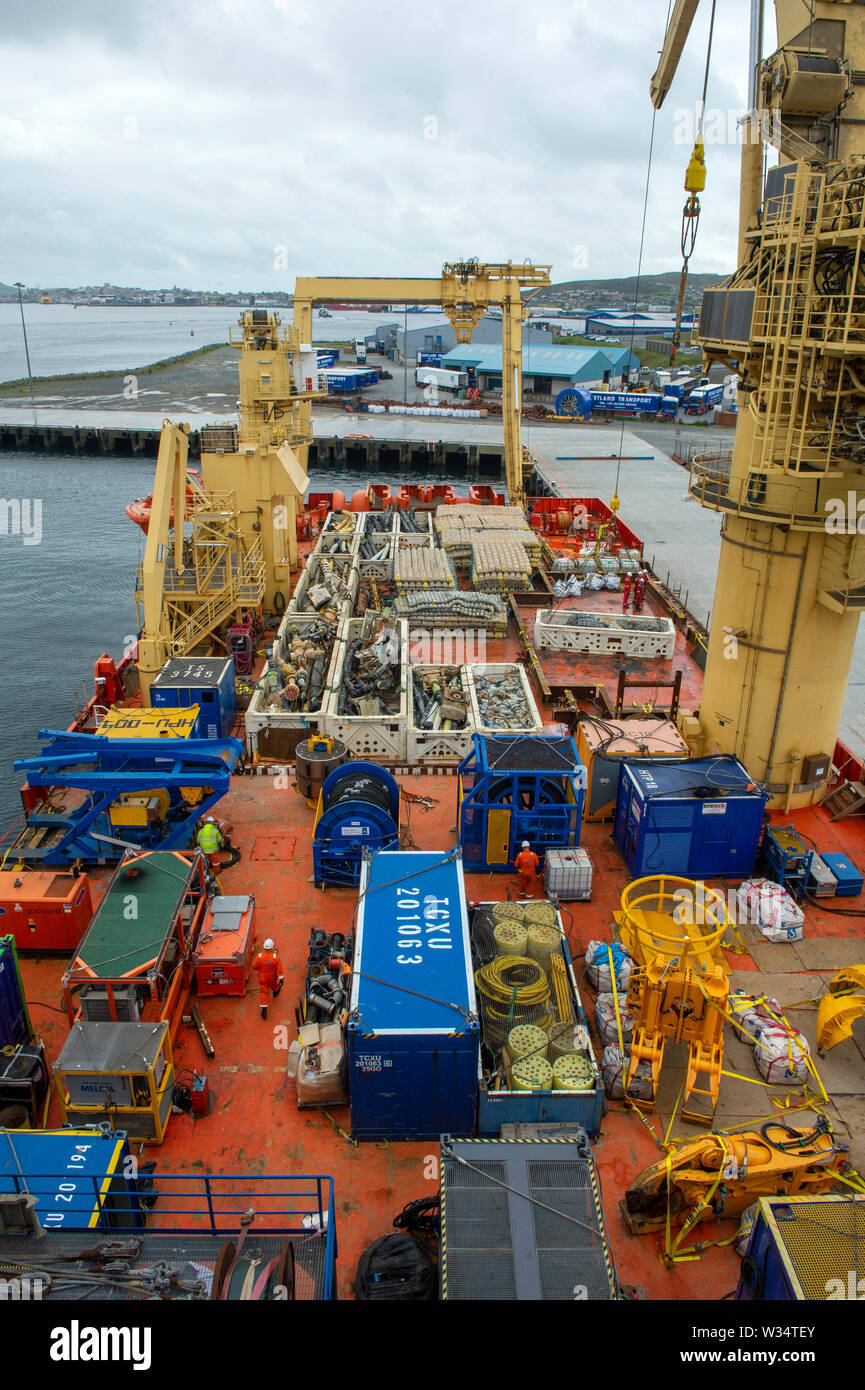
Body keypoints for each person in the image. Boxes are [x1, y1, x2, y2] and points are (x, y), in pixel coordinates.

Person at [253, 938, 284, 1020]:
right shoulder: (275, 957)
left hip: (262, 978)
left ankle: (264, 1011)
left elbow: (254, 967)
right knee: (274, 985)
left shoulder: (259, 956)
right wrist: (281, 979)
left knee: (264, 993)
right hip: (272, 978)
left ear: (264, 947)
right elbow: (279, 970)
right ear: (272, 947)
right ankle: (275, 992)